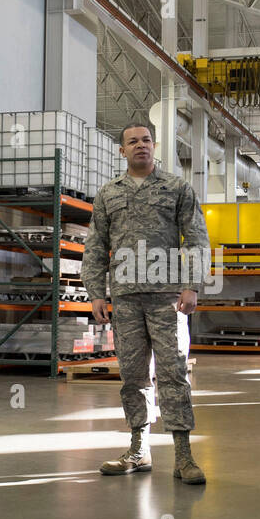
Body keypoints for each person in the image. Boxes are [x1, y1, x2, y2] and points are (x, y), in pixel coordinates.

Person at [82, 122, 210, 484]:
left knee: (173, 373)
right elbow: (95, 246)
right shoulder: (108, 194)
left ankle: (184, 456)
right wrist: (95, 292)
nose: (141, 145)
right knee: (133, 376)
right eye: (133, 141)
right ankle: (138, 449)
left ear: (155, 146)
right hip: (124, 299)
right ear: (122, 151)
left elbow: (197, 236)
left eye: (147, 140)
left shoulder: (176, 188)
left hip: (167, 298)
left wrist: (192, 285)